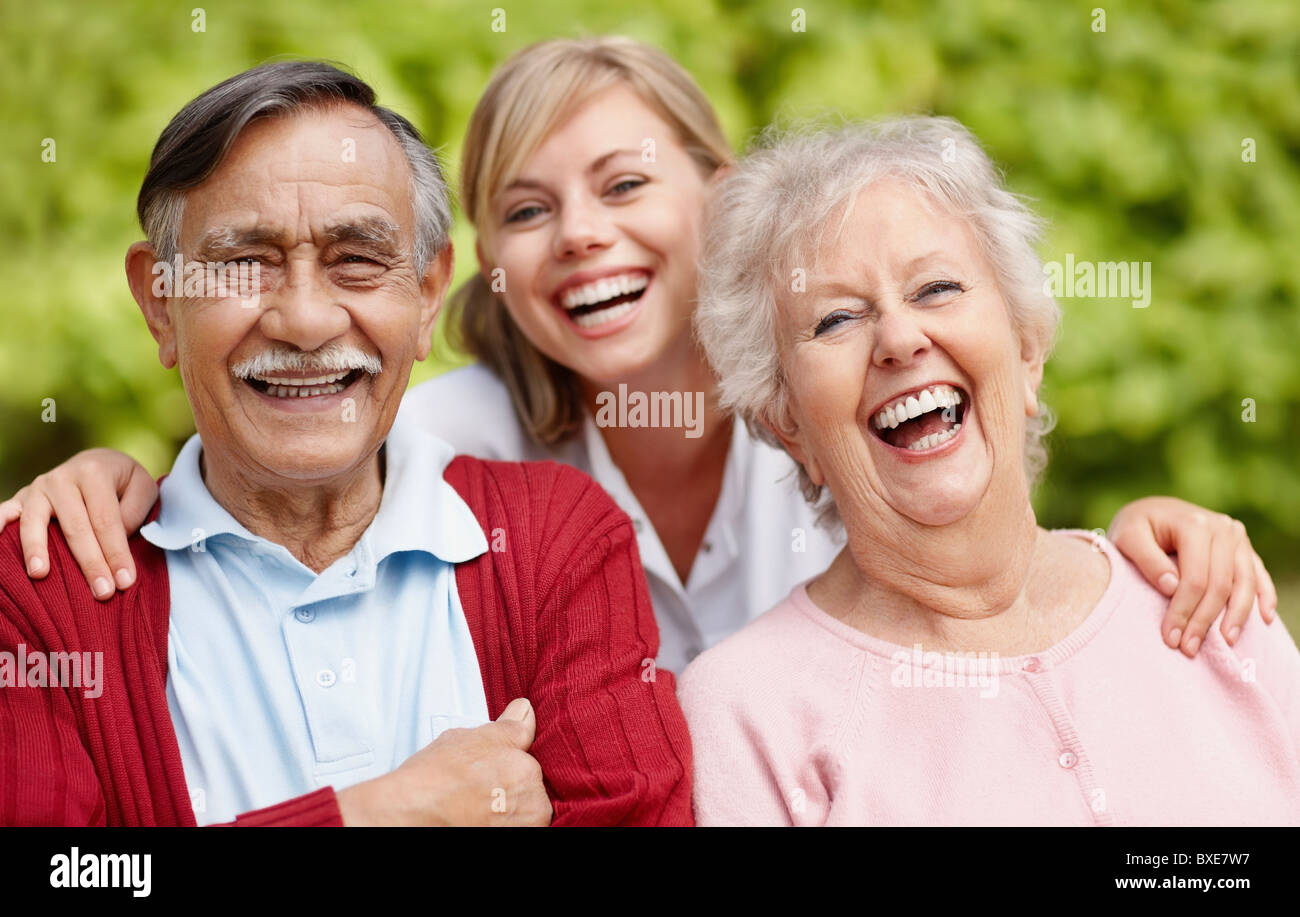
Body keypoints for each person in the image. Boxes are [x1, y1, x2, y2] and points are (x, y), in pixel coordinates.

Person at [1, 38, 1279, 673]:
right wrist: (115, 473)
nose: (581, 238)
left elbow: (998, 576)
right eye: (527, 208)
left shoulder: (854, 400)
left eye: (624, 183)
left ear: (722, 198)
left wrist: (1153, 535)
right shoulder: (444, 442)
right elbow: (257, 459)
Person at [0, 60, 691, 827]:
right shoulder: (33, 592)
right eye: (243, 264)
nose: (306, 321)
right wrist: (379, 814)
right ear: (160, 304)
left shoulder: (559, 538)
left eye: (356, 260)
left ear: (428, 296)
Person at [679, 116, 1300, 826]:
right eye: (836, 320)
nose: (901, 338)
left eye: (937, 287)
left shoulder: (1207, 594)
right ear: (787, 424)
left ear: (1028, 351)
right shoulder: (746, 711)